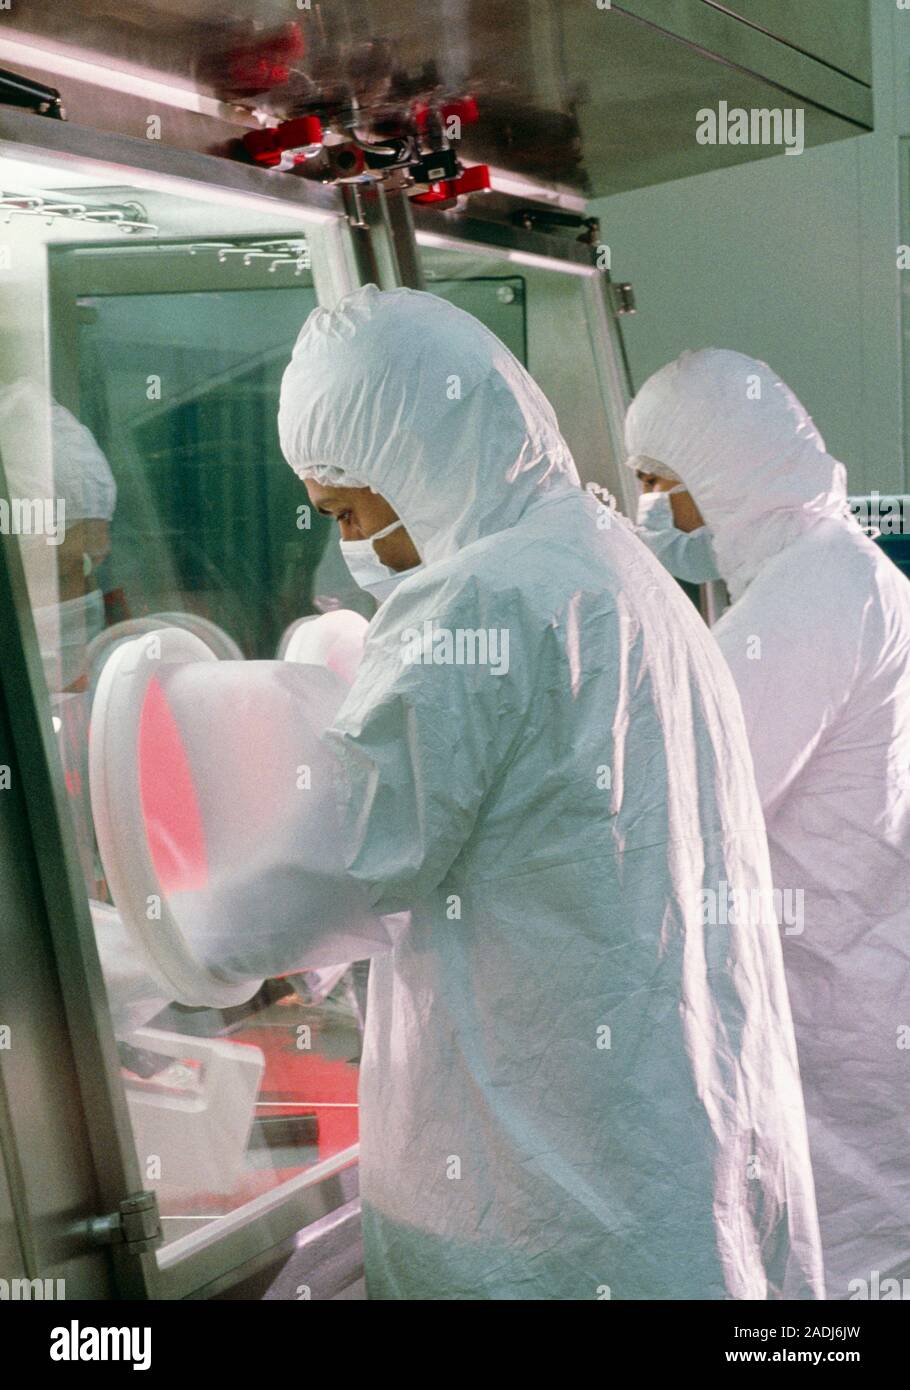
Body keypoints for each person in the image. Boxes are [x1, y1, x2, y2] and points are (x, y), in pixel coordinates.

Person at [273, 285, 825, 1300]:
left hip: (546, 1219)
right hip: (661, 1167)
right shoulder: (612, 559)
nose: (354, 544)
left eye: (348, 508)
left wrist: (186, 920)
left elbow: (334, 868)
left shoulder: (475, 597)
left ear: (412, 460)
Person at [624, 347, 910, 1299]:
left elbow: (696, 788)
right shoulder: (844, 569)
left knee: (840, 1254)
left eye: (661, 484)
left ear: (726, 473)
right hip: (860, 958)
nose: (653, 510)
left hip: (830, 984)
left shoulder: (806, 594)